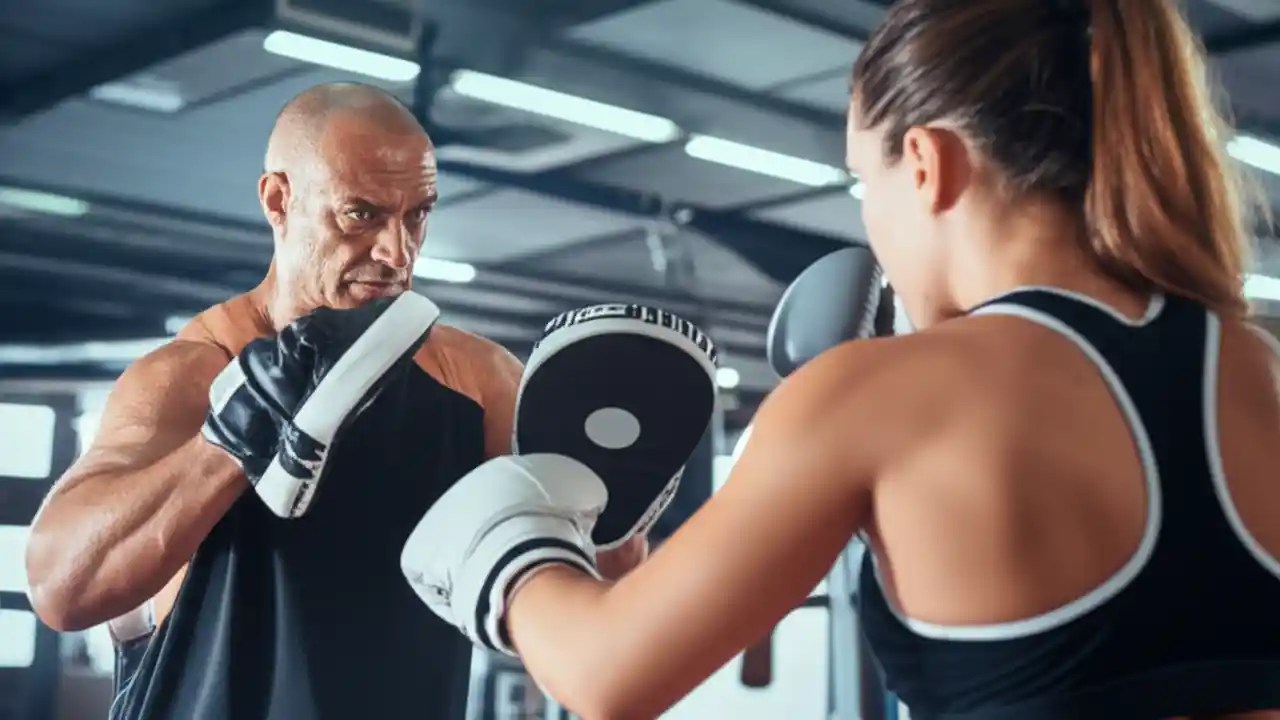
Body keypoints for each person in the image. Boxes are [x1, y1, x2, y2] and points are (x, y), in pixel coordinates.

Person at [400, 1, 1280, 719]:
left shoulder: (884, 395)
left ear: (928, 165)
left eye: (866, 183)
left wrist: (512, 545)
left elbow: (603, 677)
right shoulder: (1258, 367)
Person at [22, 82, 643, 720]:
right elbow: (61, 589)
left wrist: (624, 494)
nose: (397, 252)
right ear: (278, 200)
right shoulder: (193, 373)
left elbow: (596, 598)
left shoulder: (475, 379)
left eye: (418, 214)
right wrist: (235, 441)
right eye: (362, 213)